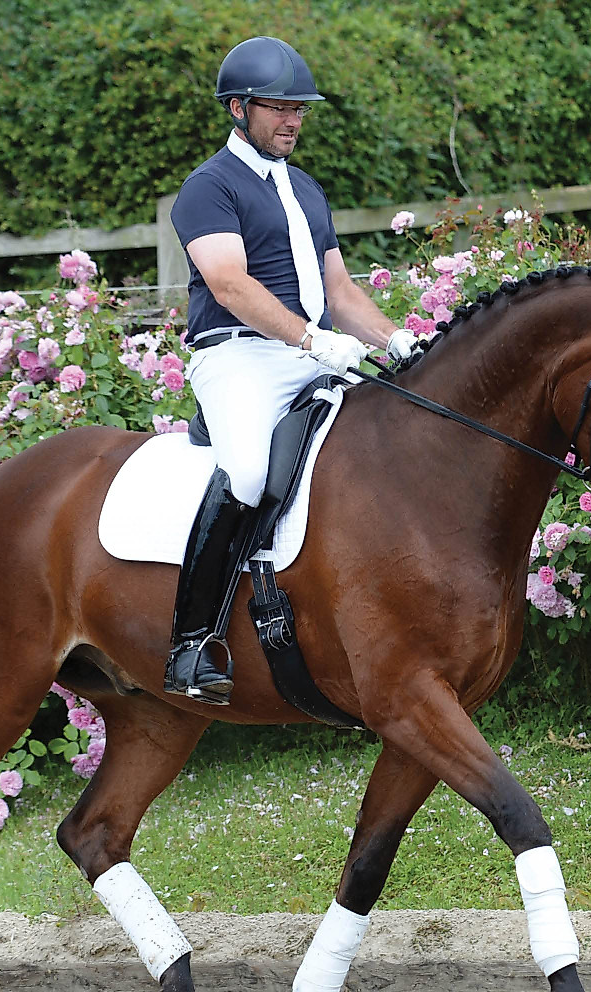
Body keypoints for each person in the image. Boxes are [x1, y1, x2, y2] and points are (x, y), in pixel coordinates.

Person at [165, 35, 418, 704]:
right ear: (237, 108)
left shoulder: (305, 188)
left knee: (390, 440)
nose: (292, 120)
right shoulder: (208, 188)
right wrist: (313, 341)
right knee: (248, 471)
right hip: (239, 357)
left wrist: (399, 342)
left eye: (299, 109)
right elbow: (229, 285)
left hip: (311, 351)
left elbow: (341, 292)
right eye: (278, 108)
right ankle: (191, 644)